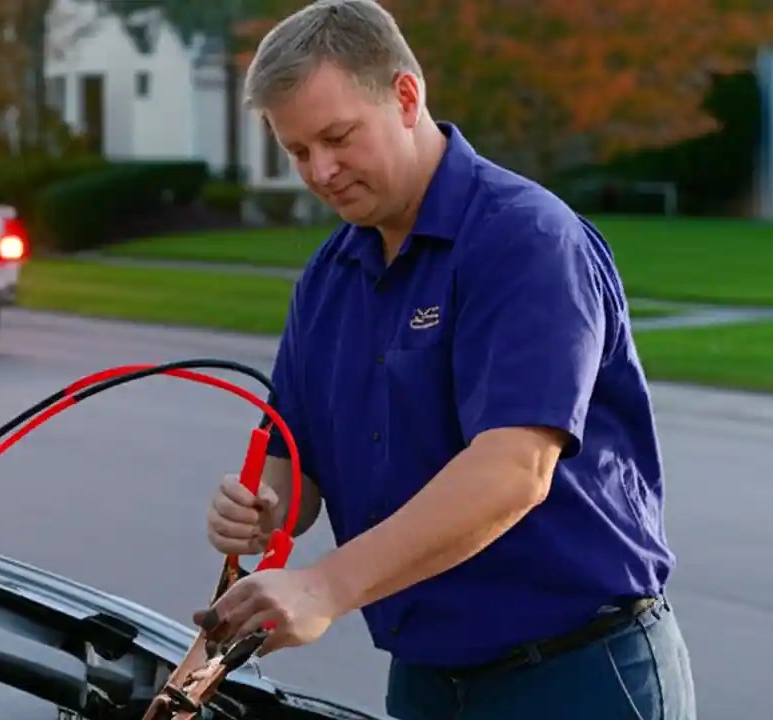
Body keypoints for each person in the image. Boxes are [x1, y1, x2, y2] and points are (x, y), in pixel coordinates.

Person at [195, 1, 697, 718]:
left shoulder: (526, 240)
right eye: (298, 152)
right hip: (428, 678)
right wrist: (257, 512)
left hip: (578, 672)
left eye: (338, 137)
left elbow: (512, 472)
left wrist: (326, 587)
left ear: (406, 96)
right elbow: (293, 474)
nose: (322, 171)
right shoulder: (330, 275)